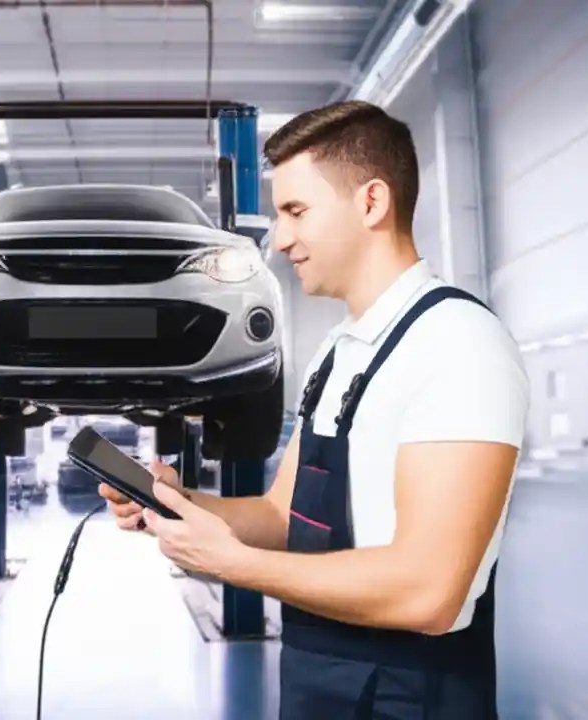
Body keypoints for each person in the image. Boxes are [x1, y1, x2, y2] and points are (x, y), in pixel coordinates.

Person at [99, 100, 529, 719]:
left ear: (372, 203)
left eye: (296, 211)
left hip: (410, 697)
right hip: (319, 682)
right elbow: (282, 514)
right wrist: (177, 502)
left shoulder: (459, 344)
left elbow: (429, 591)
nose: (280, 239)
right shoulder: (340, 349)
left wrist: (238, 566)